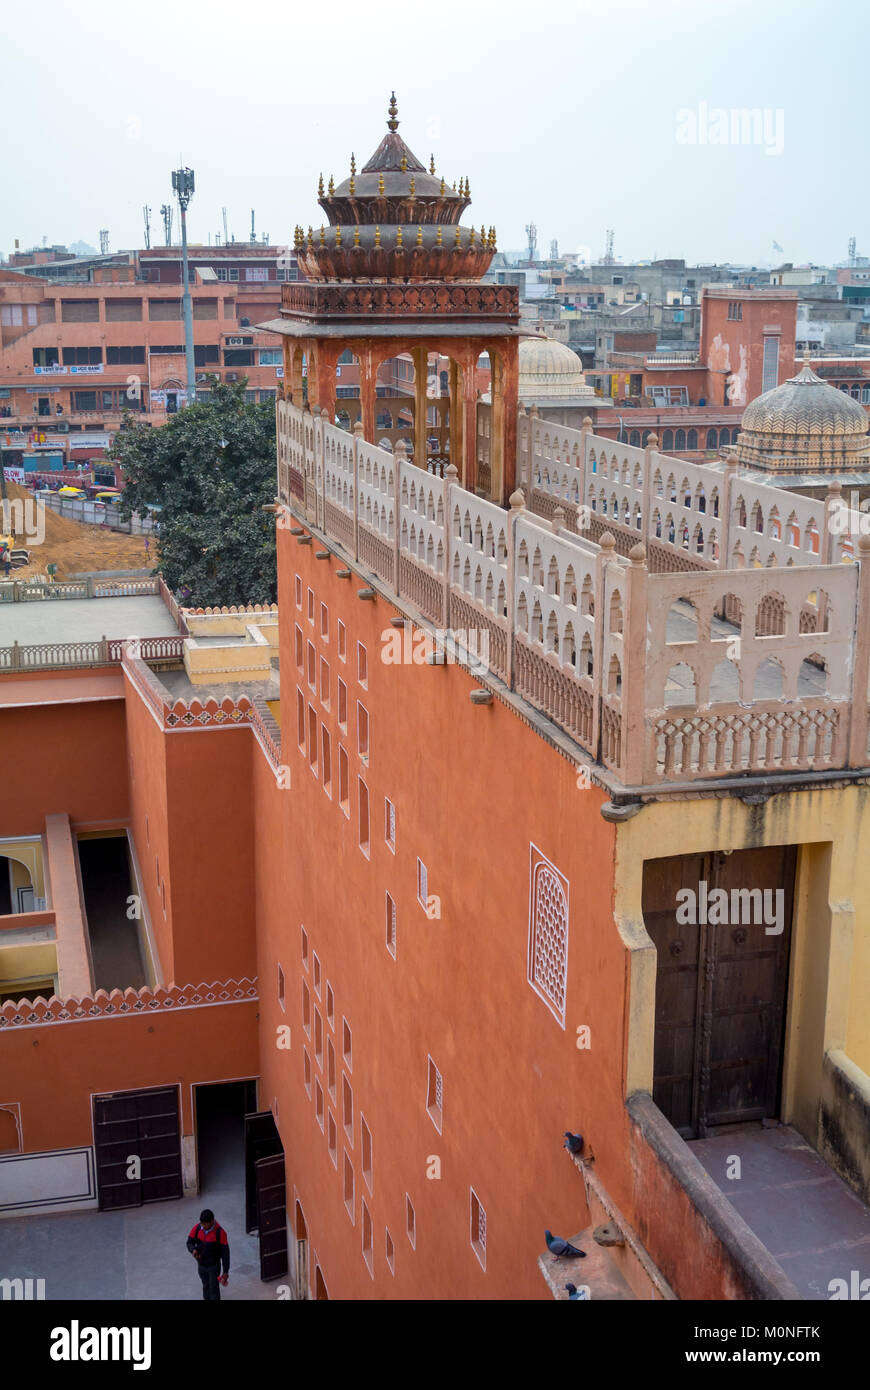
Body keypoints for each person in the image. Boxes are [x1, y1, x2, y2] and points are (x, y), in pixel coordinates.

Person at [186, 1209, 230, 1301]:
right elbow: (189, 1242)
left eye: (206, 1224)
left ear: (212, 1221)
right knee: (205, 1286)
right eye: (202, 1224)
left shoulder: (220, 1233)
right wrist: (193, 1250)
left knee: (213, 1289)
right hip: (201, 1265)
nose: (203, 1226)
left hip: (213, 1267)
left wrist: (225, 1271)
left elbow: (225, 1253)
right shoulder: (197, 1228)